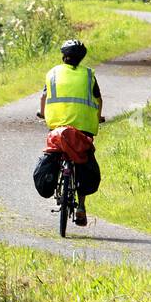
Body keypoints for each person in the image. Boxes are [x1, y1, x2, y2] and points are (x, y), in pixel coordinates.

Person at [36, 38, 103, 226]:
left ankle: (56, 177)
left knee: (55, 154)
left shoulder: (53, 74)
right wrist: (97, 118)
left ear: (63, 57)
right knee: (83, 161)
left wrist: (42, 113)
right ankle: (81, 206)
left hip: (57, 127)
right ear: (81, 59)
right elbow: (99, 101)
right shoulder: (89, 75)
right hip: (83, 129)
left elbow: (44, 96)